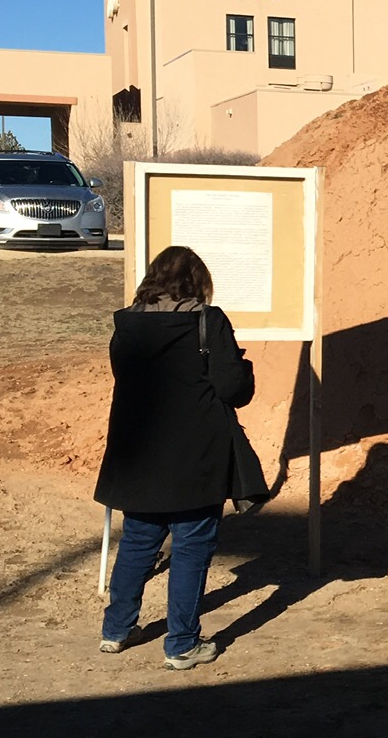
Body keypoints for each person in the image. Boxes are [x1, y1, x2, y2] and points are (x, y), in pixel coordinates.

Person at [95, 245, 265, 668]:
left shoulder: (127, 324)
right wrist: (244, 368)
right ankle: (182, 644)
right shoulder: (207, 321)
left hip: (140, 453)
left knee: (138, 541)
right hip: (197, 455)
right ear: (197, 281)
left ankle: (116, 630)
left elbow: (124, 377)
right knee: (191, 546)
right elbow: (233, 389)